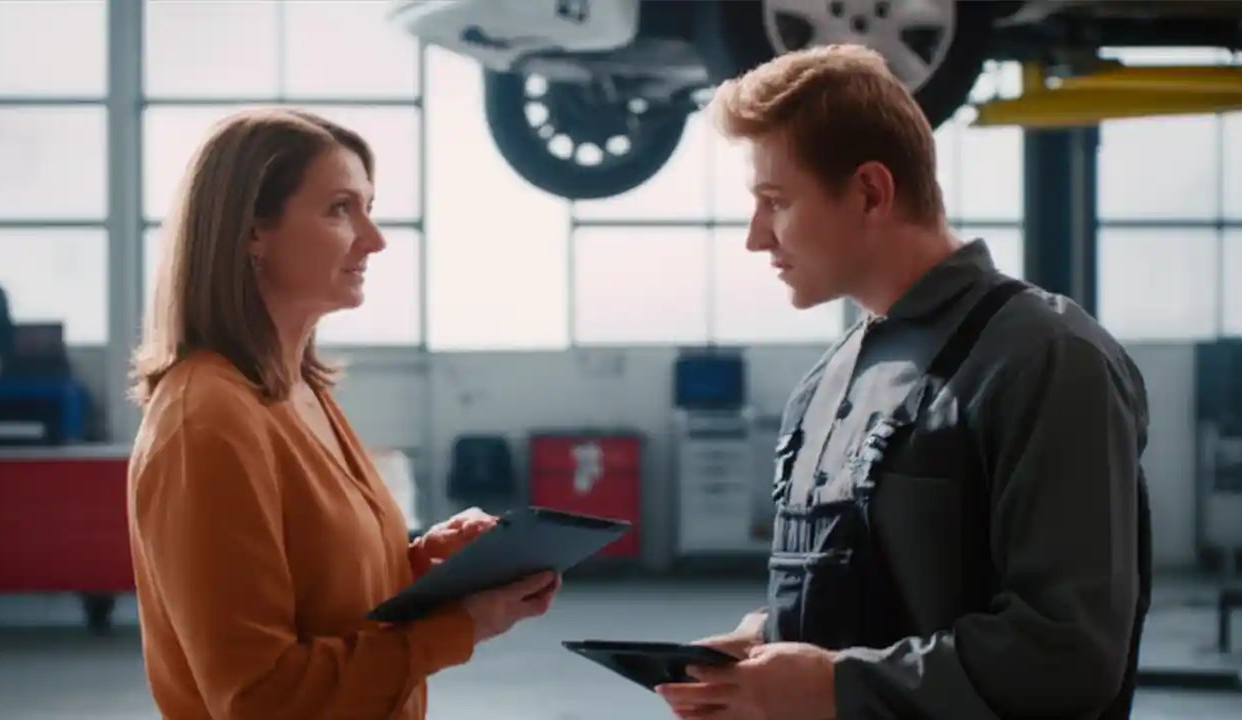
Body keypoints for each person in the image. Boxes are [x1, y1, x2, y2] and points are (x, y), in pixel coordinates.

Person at [656, 45, 1151, 720]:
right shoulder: (825, 385)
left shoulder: (1046, 359)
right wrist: (764, 646)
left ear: (870, 192)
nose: (754, 238)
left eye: (775, 201)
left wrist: (834, 687)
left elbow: (1067, 653)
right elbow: (872, 596)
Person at [127, 107, 559, 720]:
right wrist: (459, 626)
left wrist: (425, 568)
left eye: (369, 207)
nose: (374, 239)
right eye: (339, 209)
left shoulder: (297, 391)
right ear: (252, 231)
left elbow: (321, 596)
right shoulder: (207, 421)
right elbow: (261, 697)